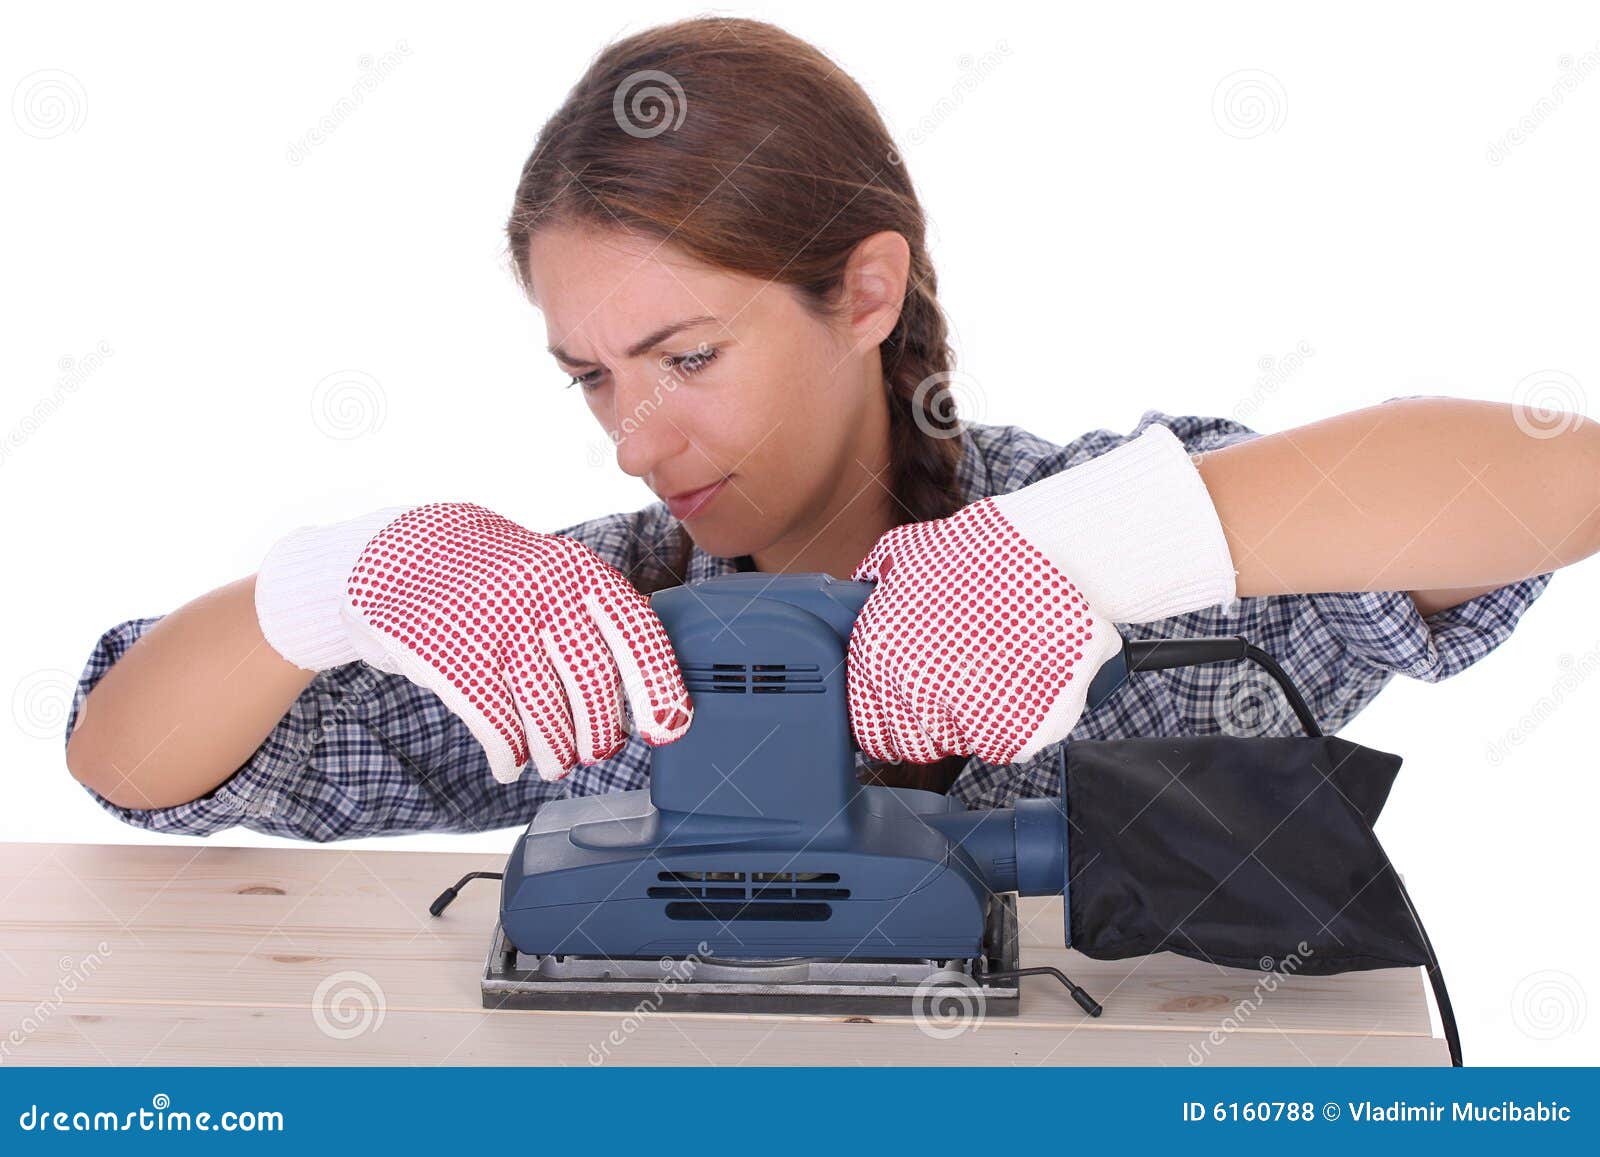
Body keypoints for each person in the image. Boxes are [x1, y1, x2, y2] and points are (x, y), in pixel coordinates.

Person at [64, 16, 1581, 843]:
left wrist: (1098, 554)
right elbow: (128, 761)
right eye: (591, 376)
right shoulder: (587, 632)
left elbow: (1561, 473)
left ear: (865, 291)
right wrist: (333, 584)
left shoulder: (1118, 536)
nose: (634, 440)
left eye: (687, 355)